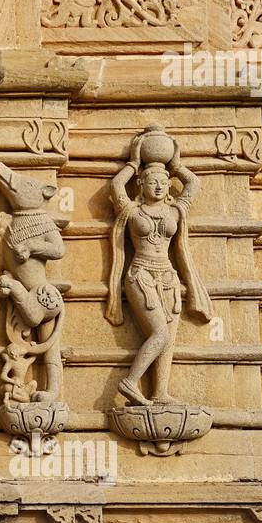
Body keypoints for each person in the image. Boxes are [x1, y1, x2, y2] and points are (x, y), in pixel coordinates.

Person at [106, 126, 211, 406]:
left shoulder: (175, 210)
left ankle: (160, 392)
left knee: (169, 340)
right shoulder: (132, 211)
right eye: (152, 181)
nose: (159, 185)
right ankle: (130, 382)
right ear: (141, 184)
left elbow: (193, 185)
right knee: (160, 333)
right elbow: (116, 186)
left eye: (163, 182)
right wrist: (134, 162)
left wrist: (176, 165)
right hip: (141, 274)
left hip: (168, 276)